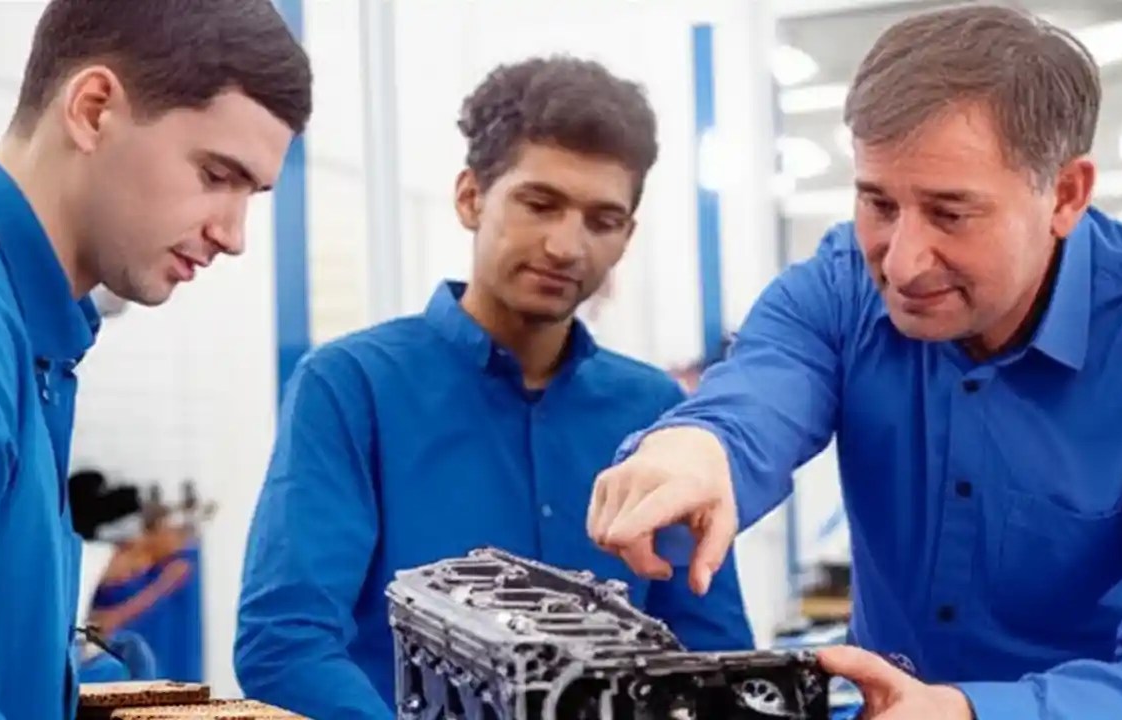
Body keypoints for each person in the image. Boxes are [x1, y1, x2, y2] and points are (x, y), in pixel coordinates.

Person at [587, 6, 1122, 720]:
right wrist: (694, 449)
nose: (904, 261)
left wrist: (967, 712)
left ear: (1065, 195)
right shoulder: (841, 285)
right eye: (878, 202)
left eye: (950, 214)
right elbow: (760, 392)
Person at [234, 56, 754, 719]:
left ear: (627, 235)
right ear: (471, 196)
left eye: (601, 219)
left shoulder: (657, 414)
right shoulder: (352, 386)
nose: (566, 245)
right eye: (540, 204)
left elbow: (713, 655)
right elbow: (285, 641)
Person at [0, 1, 311, 717]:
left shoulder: (25, 330)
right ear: (94, 108)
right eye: (214, 174)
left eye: (251, 195)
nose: (233, 235)